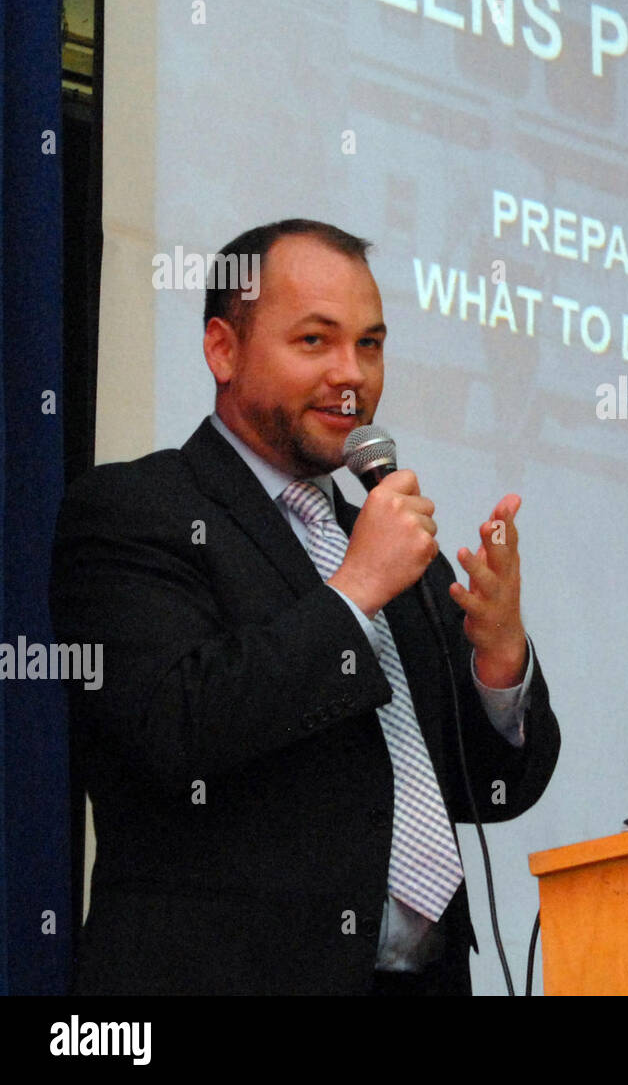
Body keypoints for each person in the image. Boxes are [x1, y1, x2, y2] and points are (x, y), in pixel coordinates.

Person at [50, 219, 561, 996]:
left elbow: (485, 790)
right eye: (315, 342)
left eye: (371, 344)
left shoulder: (380, 539)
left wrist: (498, 666)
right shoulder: (133, 509)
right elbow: (174, 726)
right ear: (223, 349)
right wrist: (351, 593)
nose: (351, 376)